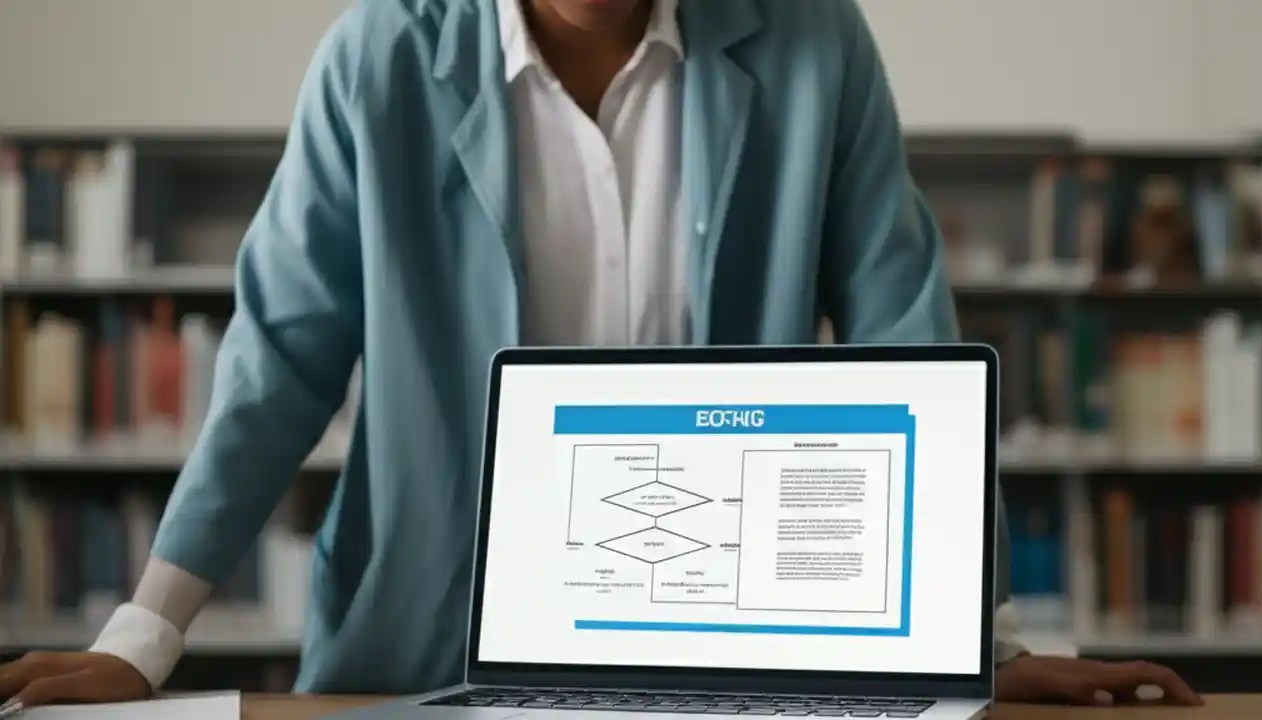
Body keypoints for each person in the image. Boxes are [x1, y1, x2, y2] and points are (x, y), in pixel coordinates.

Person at [0, 0, 1200, 714]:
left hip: (738, 662)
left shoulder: (810, 40)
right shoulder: (380, 51)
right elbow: (278, 357)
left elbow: (903, 330)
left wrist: (984, 643)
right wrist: (141, 642)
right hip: (421, 647)